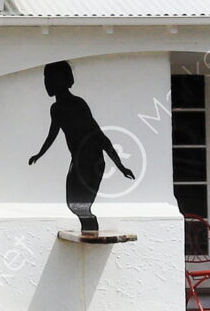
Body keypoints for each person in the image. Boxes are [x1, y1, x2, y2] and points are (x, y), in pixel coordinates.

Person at [29, 59, 134, 234]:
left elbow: (98, 134)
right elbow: (52, 134)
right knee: (75, 205)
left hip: (92, 160)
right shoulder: (56, 108)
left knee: (79, 206)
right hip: (78, 160)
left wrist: (121, 166)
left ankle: (91, 236)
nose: (47, 82)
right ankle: (89, 234)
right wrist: (39, 154)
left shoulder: (78, 104)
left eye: (50, 77)